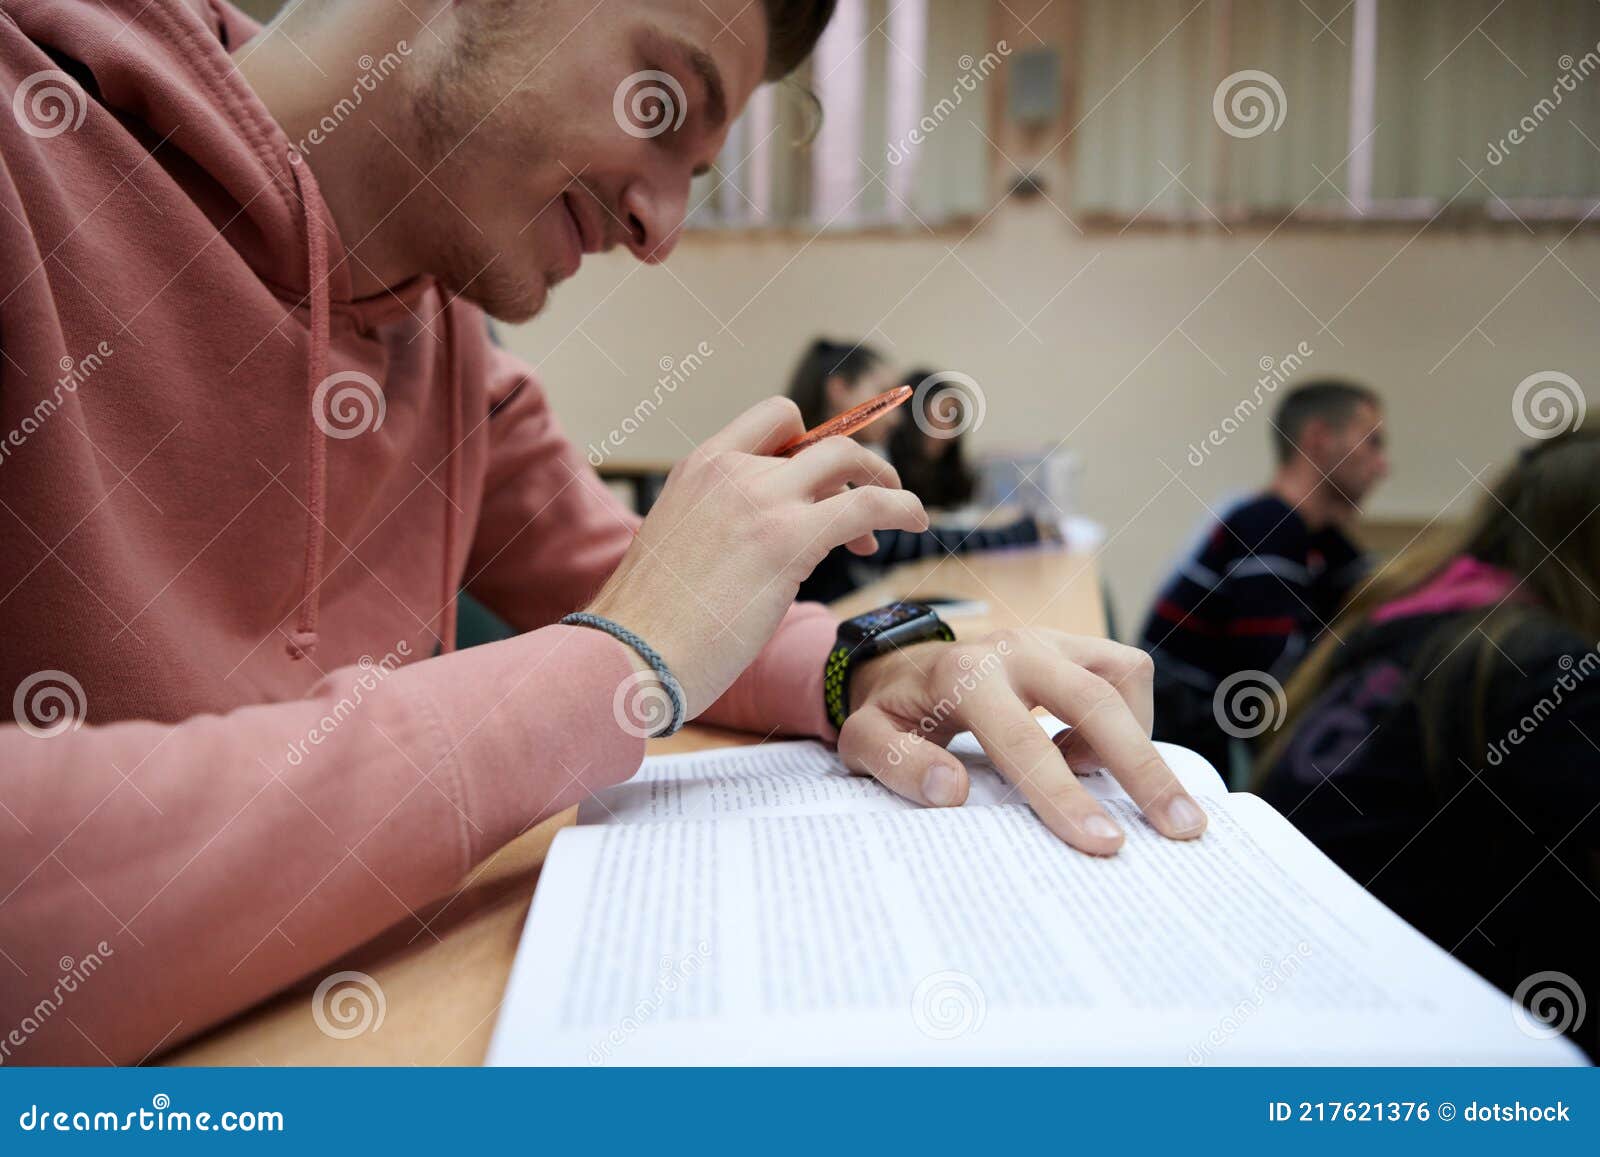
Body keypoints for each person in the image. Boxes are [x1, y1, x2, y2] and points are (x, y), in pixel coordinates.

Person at [0, 0, 1207, 1064]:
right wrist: (610, 663)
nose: (660, 231)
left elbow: (657, 593)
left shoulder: (457, 357)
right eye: (661, 98)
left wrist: (884, 657)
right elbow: (637, 627)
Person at [1256, 432, 1600, 1060]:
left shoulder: (1412, 614)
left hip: (1278, 972)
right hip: (1381, 1034)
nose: (1382, 463)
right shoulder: (1542, 668)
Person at [1140, 379, 1388, 771]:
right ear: (1320, 439)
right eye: (1372, 442)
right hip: (1182, 753)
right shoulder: (1269, 525)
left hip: (1196, 740)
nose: (1383, 466)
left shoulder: (1319, 539)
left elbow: (1384, 605)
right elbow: (1269, 683)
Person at [788, 340, 1047, 603]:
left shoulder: (832, 465)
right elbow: (896, 545)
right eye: (883, 394)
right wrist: (1016, 534)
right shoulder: (815, 470)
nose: (896, 417)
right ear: (839, 389)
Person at [888, 366, 980, 510]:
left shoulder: (950, 472)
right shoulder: (882, 465)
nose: (950, 433)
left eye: (954, 419)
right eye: (942, 416)